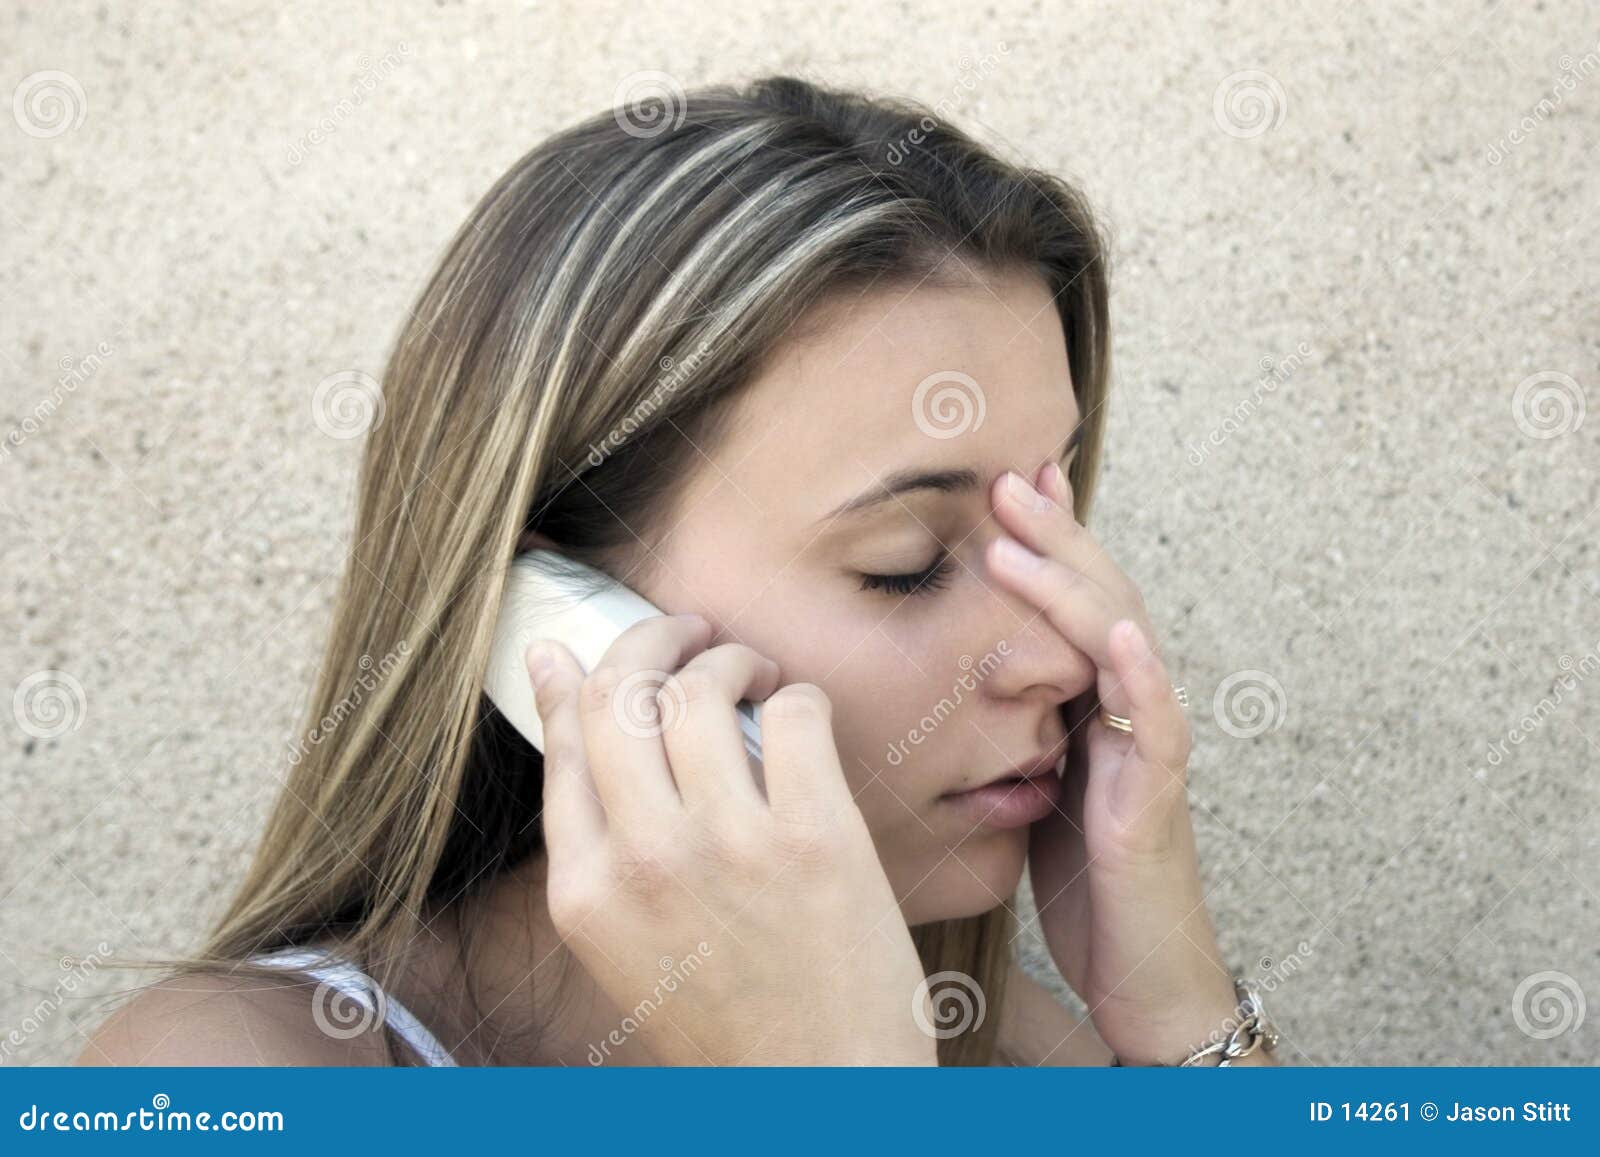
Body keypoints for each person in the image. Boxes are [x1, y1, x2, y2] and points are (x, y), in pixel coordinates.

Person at [79, 74, 1276, 1068]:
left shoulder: (1002, 1042)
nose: (1065, 652)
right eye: (905, 565)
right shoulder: (219, 1072)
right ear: (550, 629)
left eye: (1049, 531)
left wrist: (1177, 1017)